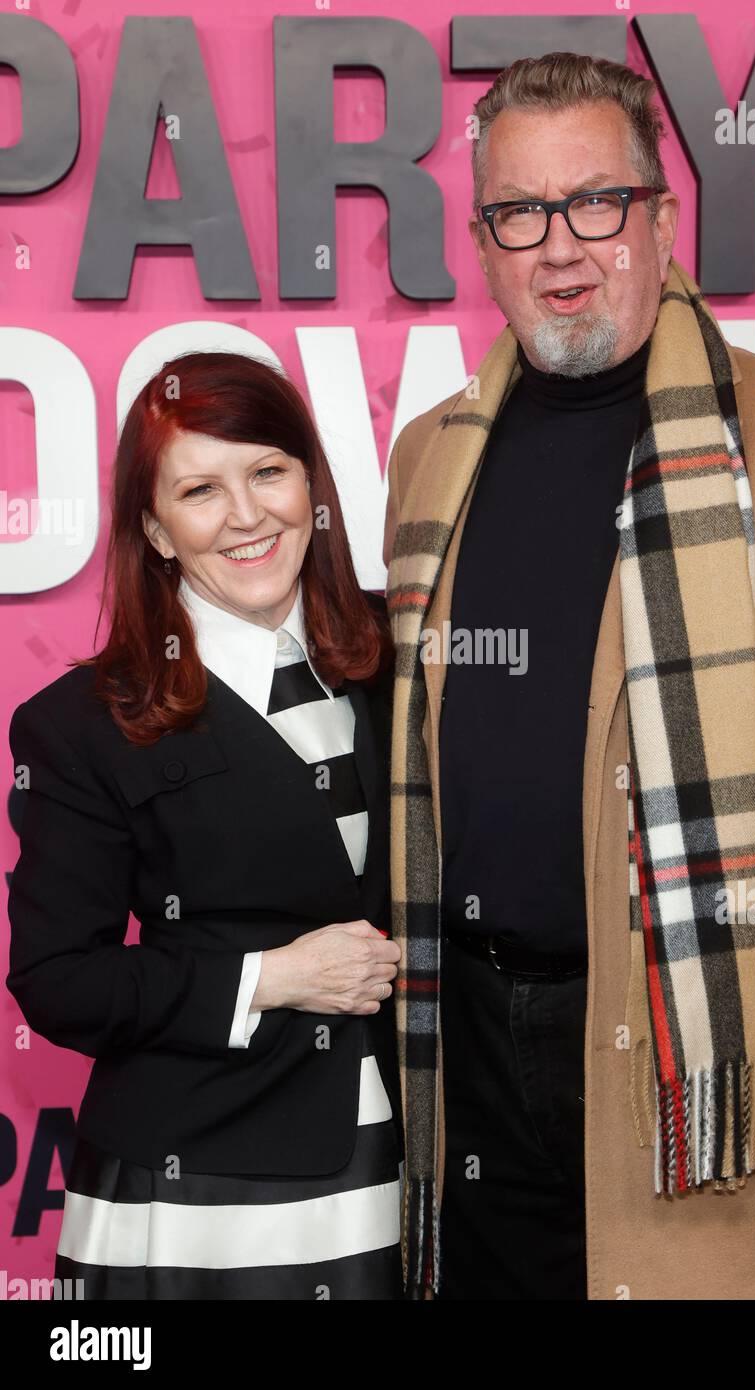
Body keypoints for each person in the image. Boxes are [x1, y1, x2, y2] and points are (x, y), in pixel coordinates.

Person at [382, 52, 755, 1300]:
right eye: (518, 213)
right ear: (482, 243)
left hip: (708, 1066)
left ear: (660, 217)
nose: (560, 245)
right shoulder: (431, 456)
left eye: (596, 202)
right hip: (466, 1047)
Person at [8, 350, 404, 1300]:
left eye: (267, 471)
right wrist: (274, 979)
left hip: (404, 1154)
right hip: (193, 1188)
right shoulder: (80, 723)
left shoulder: (400, 660)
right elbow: (59, 980)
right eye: (199, 489)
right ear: (154, 527)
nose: (245, 515)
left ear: (311, 484)